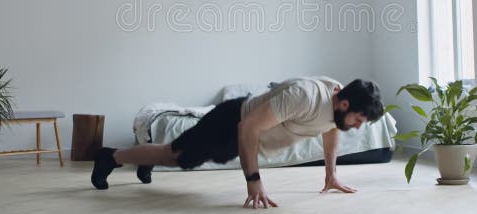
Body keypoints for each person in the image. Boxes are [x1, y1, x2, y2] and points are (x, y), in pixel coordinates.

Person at [90, 77, 384, 209]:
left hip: (239, 130)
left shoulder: (336, 108)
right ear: (344, 103)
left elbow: (331, 128)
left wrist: (331, 175)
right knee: (175, 156)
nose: (358, 127)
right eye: (359, 119)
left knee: (177, 155)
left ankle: (145, 160)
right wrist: (254, 181)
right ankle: (111, 156)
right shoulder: (305, 96)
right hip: (230, 123)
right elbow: (248, 128)